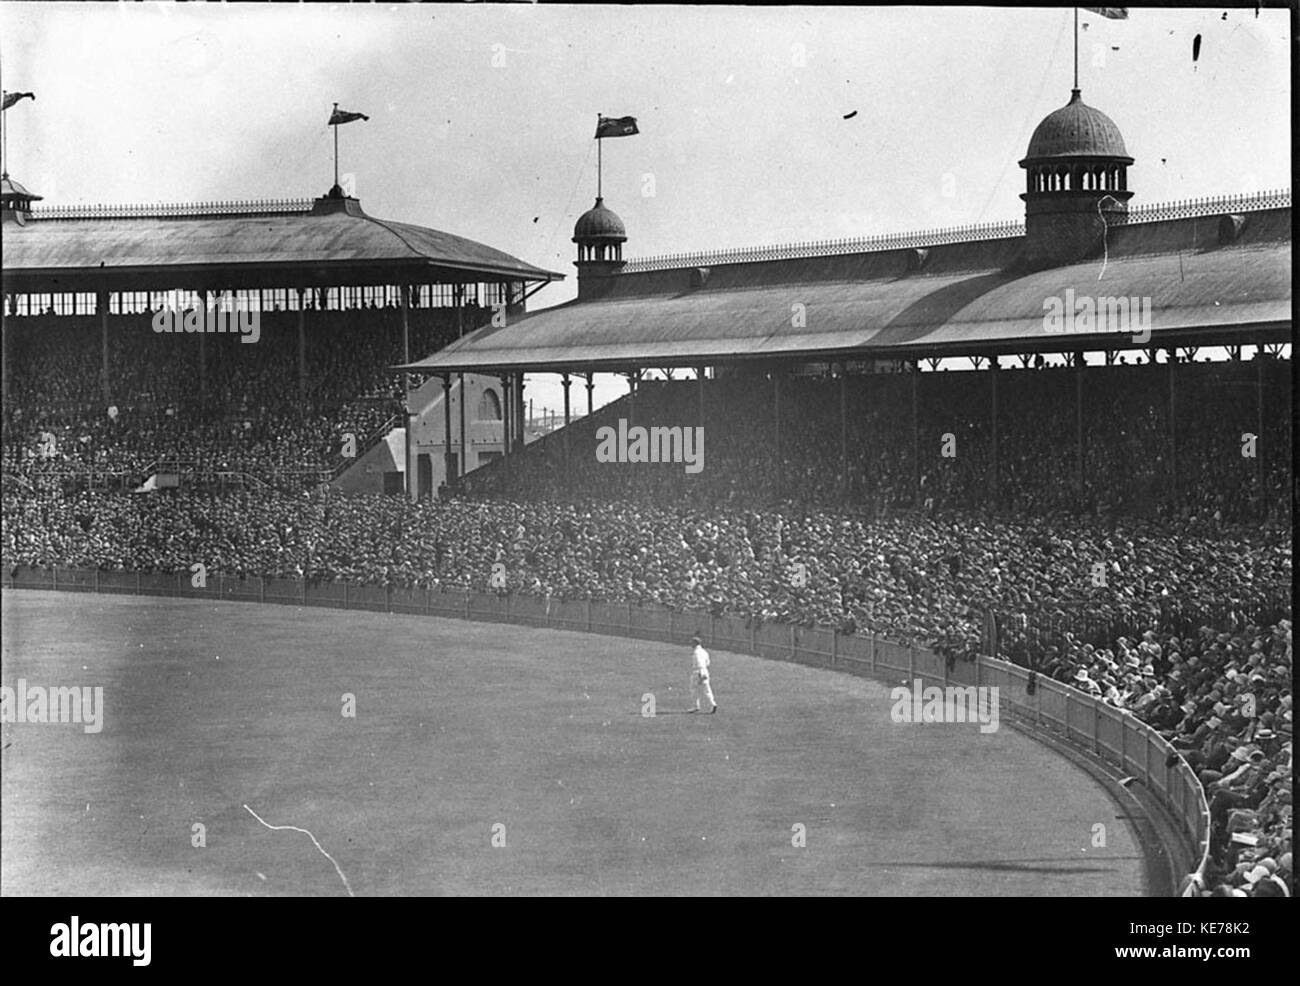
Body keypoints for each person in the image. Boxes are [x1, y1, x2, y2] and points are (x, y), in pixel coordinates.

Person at [689, 635, 717, 714]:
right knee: (707, 689)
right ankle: (713, 704)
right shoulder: (704, 652)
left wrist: (700, 673)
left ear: (695, 643)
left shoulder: (696, 652)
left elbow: (698, 662)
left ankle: (695, 706)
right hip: (705, 671)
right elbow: (708, 662)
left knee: (694, 689)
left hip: (697, 672)